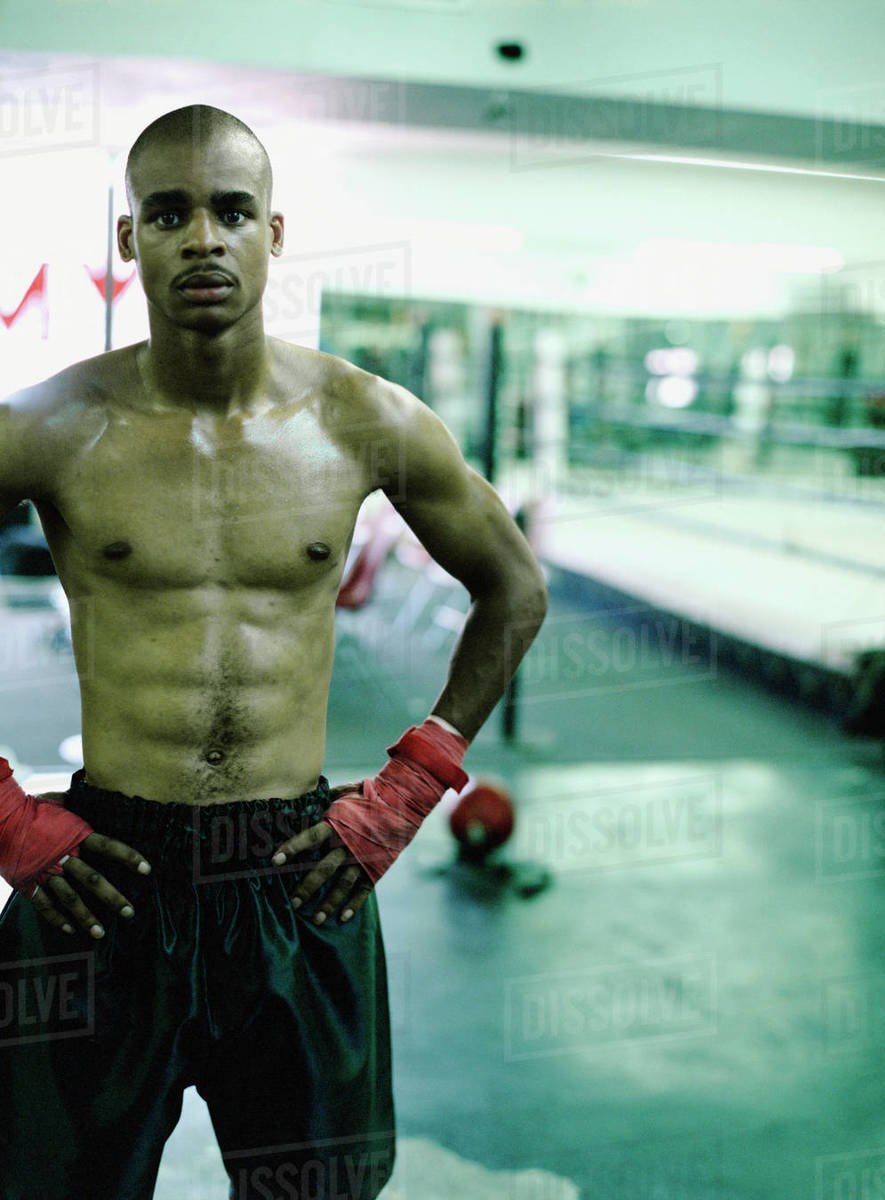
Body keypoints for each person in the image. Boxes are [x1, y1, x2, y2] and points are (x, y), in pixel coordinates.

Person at [0, 105, 548, 1200]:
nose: (202, 237)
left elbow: (513, 588)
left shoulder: (365, 420)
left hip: (300, 874)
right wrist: (6, 818)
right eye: (169, 213)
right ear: (130, 242)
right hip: (105, 875)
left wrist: (408, 786)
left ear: (274, 232)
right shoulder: (51, 426)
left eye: (230, 210)